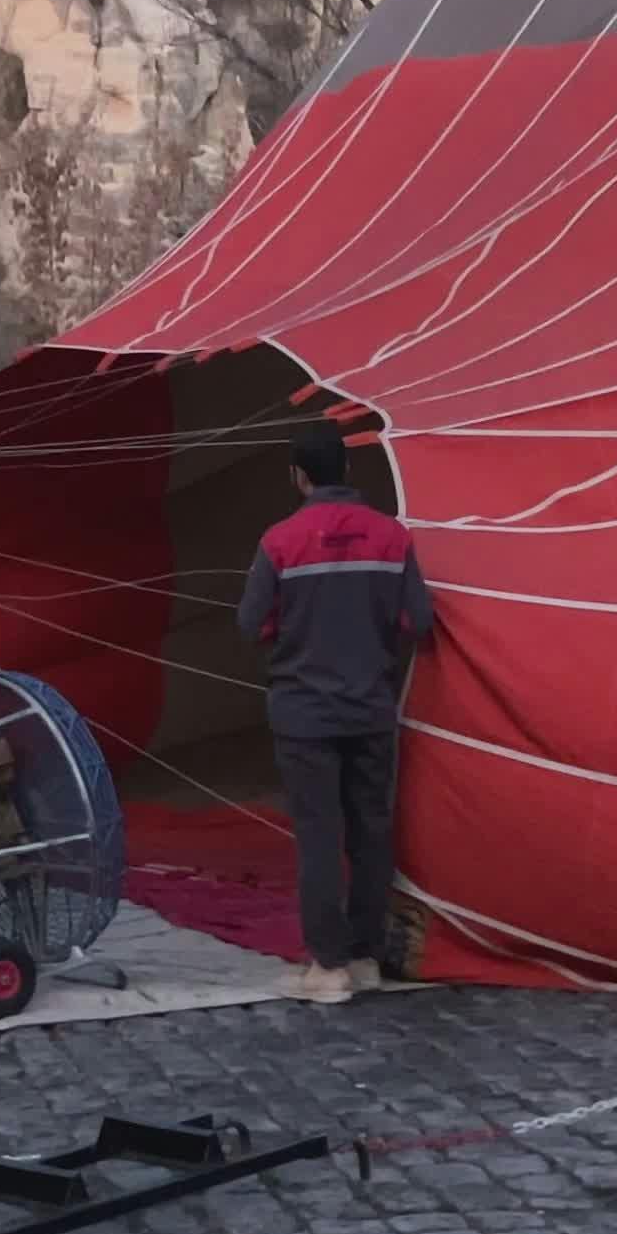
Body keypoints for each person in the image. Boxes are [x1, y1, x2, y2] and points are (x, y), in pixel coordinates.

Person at [235, 424, 436, 1004]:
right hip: (371, 708)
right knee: (372, 831)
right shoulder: (392, 538)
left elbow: (252, 625)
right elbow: (418, 623)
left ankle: (328, 968)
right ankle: (367, 956)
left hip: (304, 715)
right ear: (346, 471)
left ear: (298, 476)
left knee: (320, 835)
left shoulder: (279, 542)